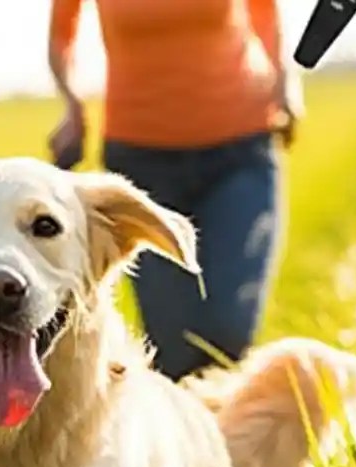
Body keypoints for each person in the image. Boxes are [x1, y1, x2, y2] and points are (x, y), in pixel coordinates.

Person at [47, 0, 303, 382]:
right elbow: (60, 36)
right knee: (173, 347)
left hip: (238, 149)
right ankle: (184, 436)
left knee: (228, 330)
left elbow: (264, 11)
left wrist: (285, 81)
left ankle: (228, 431)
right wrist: (73, 105)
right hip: (141, 164)